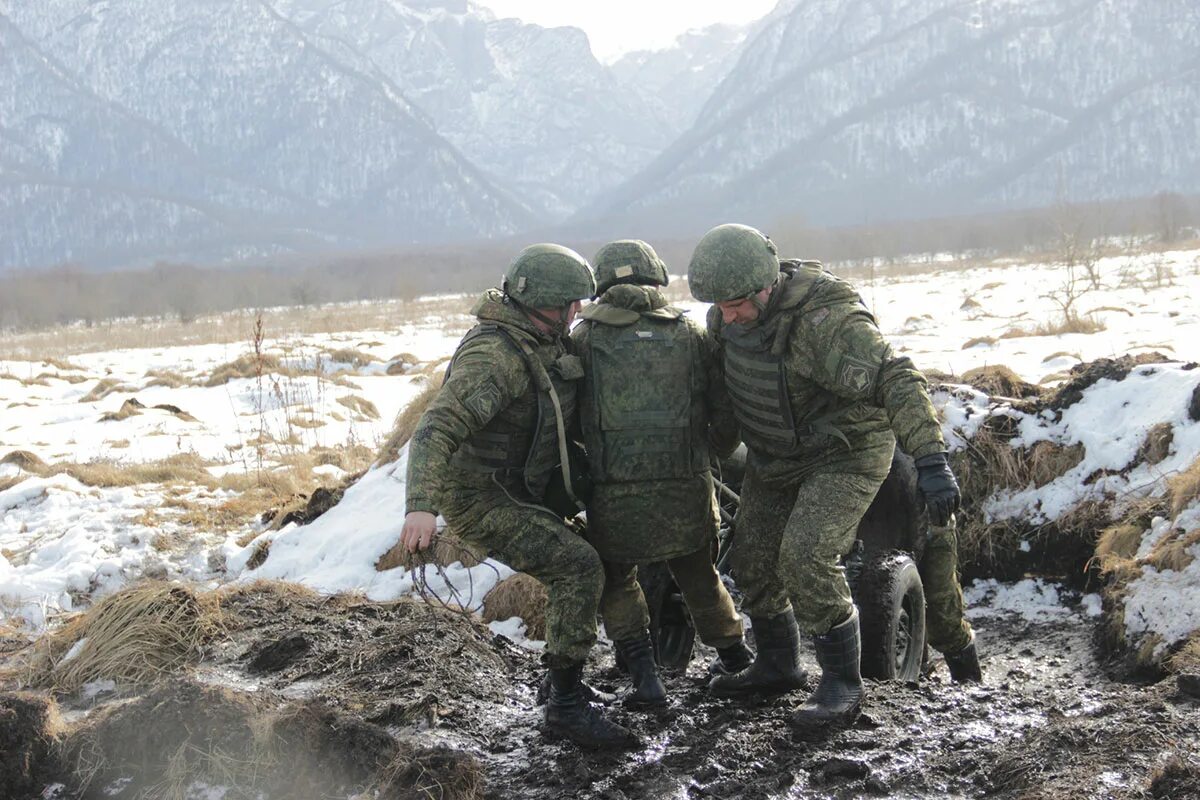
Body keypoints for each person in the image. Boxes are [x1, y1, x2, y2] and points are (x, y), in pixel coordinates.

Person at [687, 224, 981, 732]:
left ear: (765, 286)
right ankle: (779, 664)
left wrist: (931, 461)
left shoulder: (825, 321)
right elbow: (723, 388)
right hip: (776, 455)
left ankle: (844, 682)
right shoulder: (725, 319)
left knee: (807, 555)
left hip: (846, 453)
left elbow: (895, 375)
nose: (726, 315)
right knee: (753, 560)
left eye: (735, 303)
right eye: (719, 305)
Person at [399, 243, 636, 749]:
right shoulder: (496, 357)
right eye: (570, 304)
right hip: (480, 497)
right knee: (578, 567)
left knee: (601, 554)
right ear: (544, 304)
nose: (577, 313)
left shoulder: (543, 339)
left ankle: (559, 680)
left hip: (524, 487)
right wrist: (421, 505)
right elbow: (436, 428)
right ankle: (566, 709)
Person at [570, 240, 753, 706]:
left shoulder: (583, 340)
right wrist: (709, 453)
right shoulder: (690, 334)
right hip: (687, 491)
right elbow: (725, 408)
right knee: (701, 577)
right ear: (656, 280)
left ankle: (646, 677)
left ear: (602, 284)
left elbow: (564, 418)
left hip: (615, 499)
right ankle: (736, 660)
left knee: (619, 581)